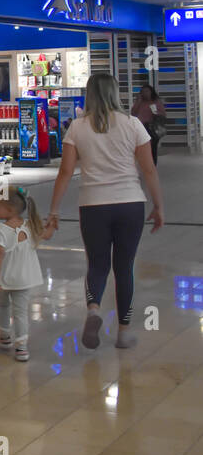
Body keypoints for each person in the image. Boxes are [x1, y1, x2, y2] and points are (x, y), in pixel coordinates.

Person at [46, 73, 164, 351]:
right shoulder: (132, 124)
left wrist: (53, 211)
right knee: (124, 269)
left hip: (92, 205)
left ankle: (94, 310)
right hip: (130, 204)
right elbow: (148, 170)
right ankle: (123, 333)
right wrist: (158, 206)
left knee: (98, 265)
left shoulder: (77, 127)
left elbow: (64, 173)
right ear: (115, 93)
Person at [0, 185, 52, 362]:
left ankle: (4, 337)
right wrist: (52, 226)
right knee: (21, 312)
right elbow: (46, 235)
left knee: (2, 306)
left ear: (9, 209)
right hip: (25, 279)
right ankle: (22, 348)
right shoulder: (30, 225)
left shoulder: (1, 230)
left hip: (5, 278)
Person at [130, 84, 166, 165]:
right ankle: (144, 164)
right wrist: (138, 102)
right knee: (142, 147)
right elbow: (133, 113)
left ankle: (152, 164)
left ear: (151, 92)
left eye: (147, 91)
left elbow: (163, 114)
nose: (145, 93)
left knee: (152, 148)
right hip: (141, 127)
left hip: (153, 127)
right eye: (143, 92)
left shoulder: (156, 101)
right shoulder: (140, 102)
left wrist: (156, 113)